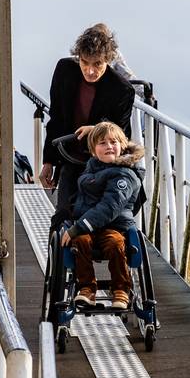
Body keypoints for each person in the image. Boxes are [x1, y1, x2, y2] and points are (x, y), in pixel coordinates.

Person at [39, 23, 136, 230]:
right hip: (69, 156)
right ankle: (56, 259)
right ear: (78, 57)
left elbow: (122, 135)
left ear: (108, 61)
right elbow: (55, 118)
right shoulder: (64, 70)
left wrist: (96, 129)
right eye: (85, 62)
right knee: (61, 216)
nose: (90, 70)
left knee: (107, 221)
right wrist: (48, 161)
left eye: (98, 64)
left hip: (104, 163)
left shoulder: (122, 89)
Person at [60, 122, 145, 310]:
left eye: (114, 142)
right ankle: (87, 288)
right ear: (93, 151)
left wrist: (78, 226)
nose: (109, 146)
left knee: (115, 244)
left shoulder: (124, 174)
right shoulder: (92, 167)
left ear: (123, 146)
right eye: (102, 143)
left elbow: (109, 207)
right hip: (88, 227)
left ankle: (121, 289)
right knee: (80, 242)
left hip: (113, 226)